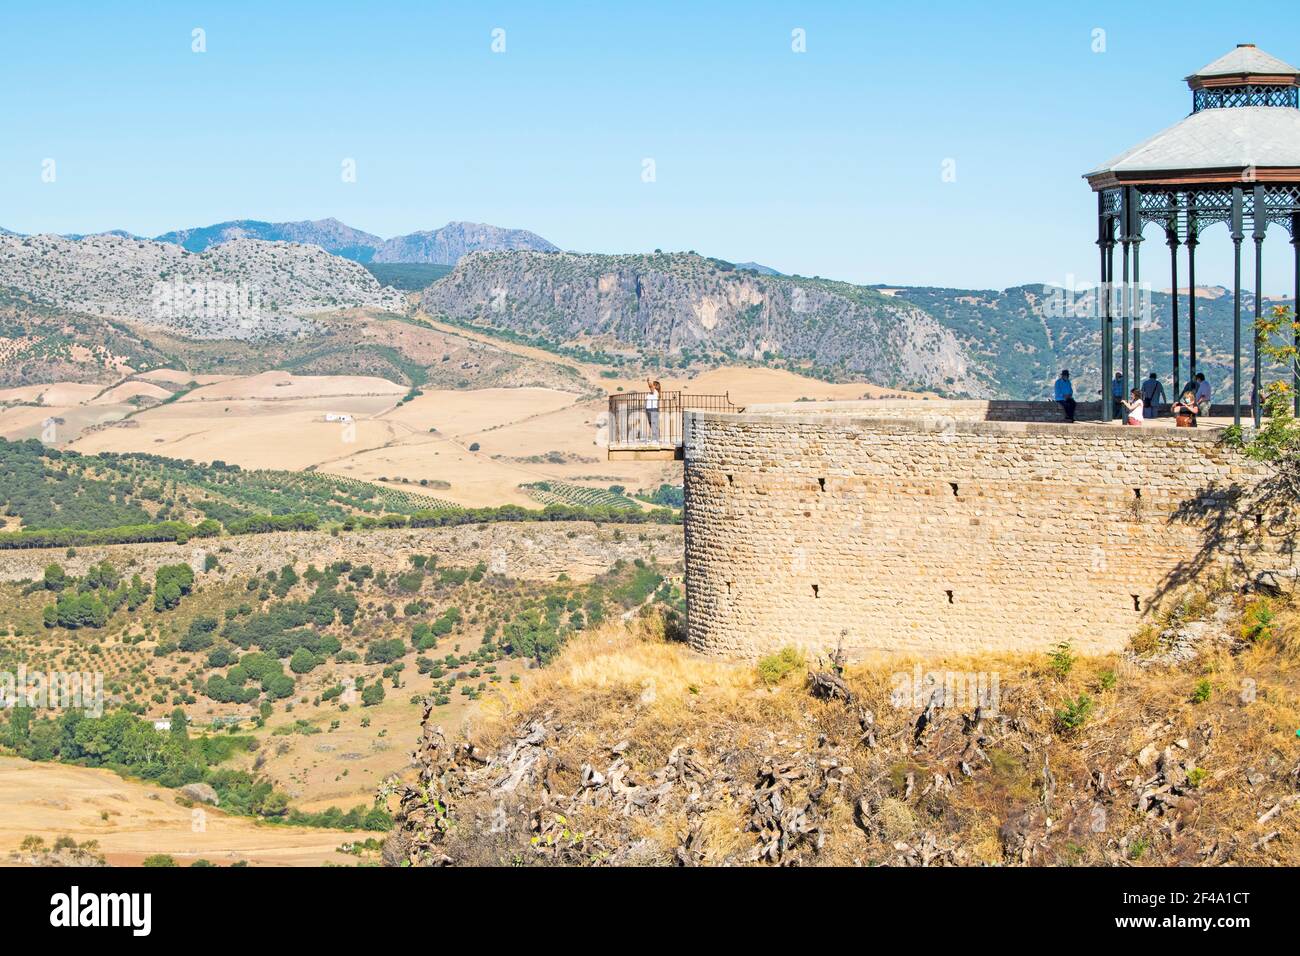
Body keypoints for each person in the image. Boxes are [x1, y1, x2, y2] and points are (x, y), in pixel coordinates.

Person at [645, 379, 661, 444]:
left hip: (653, 409)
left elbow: (650, 386)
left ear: (655, 386)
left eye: (653, 385)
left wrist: (648, 381)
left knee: (654, 424)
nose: (652, 386)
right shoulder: (652, 392)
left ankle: (656, 438)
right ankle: (654, 438)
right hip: (649, 409)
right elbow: (651, 387)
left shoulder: (655, 392)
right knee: (651, 424)